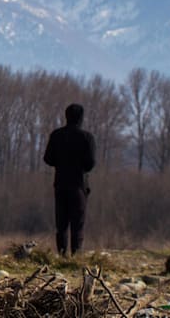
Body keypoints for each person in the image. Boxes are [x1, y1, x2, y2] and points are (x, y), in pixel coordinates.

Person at [43, 103, 96, 256]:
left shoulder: (56, 135)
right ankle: (76, 255)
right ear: (81, 118)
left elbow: (48, 158)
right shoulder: (87, 137)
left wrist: (61, 164)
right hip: (79, 184)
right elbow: (91, 163)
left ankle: (61, 255)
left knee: (61, 224)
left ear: (66, 116)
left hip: (60, 184)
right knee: (77, 223)